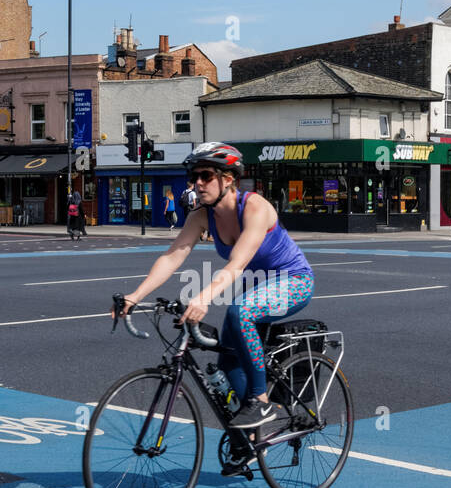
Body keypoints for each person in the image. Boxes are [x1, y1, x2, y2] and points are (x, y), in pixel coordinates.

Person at [113, 142, 314, 436]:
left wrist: (204, 297)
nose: (197, 183)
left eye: (205, 176)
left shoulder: (255, 207)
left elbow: (237, 262)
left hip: (295, 281)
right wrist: (135, 295)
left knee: (240, 311)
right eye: (193, 177)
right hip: (257, 288)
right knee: (228, 360)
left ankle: (261, 401)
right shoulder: (201, 216)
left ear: (228, 178)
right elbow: (173, 256)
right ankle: (249, 440)